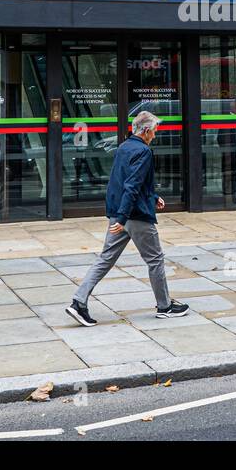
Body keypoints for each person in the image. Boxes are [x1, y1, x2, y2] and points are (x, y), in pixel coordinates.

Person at [66, 111, 189, 326]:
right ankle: (164, 306)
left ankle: (78, 302)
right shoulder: (144, 151)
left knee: (105, 259)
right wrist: (123, 218)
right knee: (155, 260)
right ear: (146, 130)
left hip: (119, 213)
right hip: (135, 215)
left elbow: (122, 182)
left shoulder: (123, 147)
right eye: (154, 130)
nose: (155, 134)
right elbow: (131, 186)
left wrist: (152, 196)